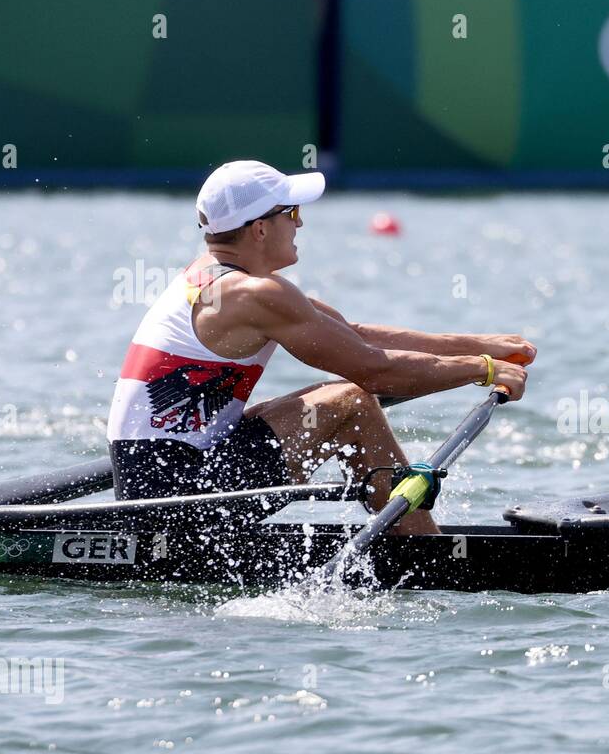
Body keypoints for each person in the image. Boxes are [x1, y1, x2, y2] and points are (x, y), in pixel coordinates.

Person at [106, 160, 534, 534]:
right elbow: (373, 370)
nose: (300, 223)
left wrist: (482, 345)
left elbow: (354, 334)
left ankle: (414, 541)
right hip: (173, 504)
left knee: (339, 400)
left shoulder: (213, 275)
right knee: (350, 399)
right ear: (259, 229)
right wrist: (482, 370)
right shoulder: (251, 295)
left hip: (165, 476)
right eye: (292, 213)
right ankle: (426, 555)